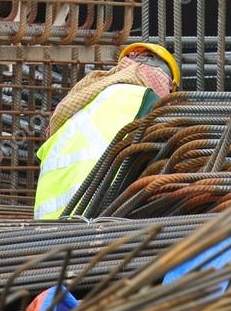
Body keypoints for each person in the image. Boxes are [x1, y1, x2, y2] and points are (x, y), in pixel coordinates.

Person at [34, 42, 180, 220]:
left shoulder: (83, 104)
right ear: (167, 83)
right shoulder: (144, 99)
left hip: (46, 227)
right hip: (96, 217)